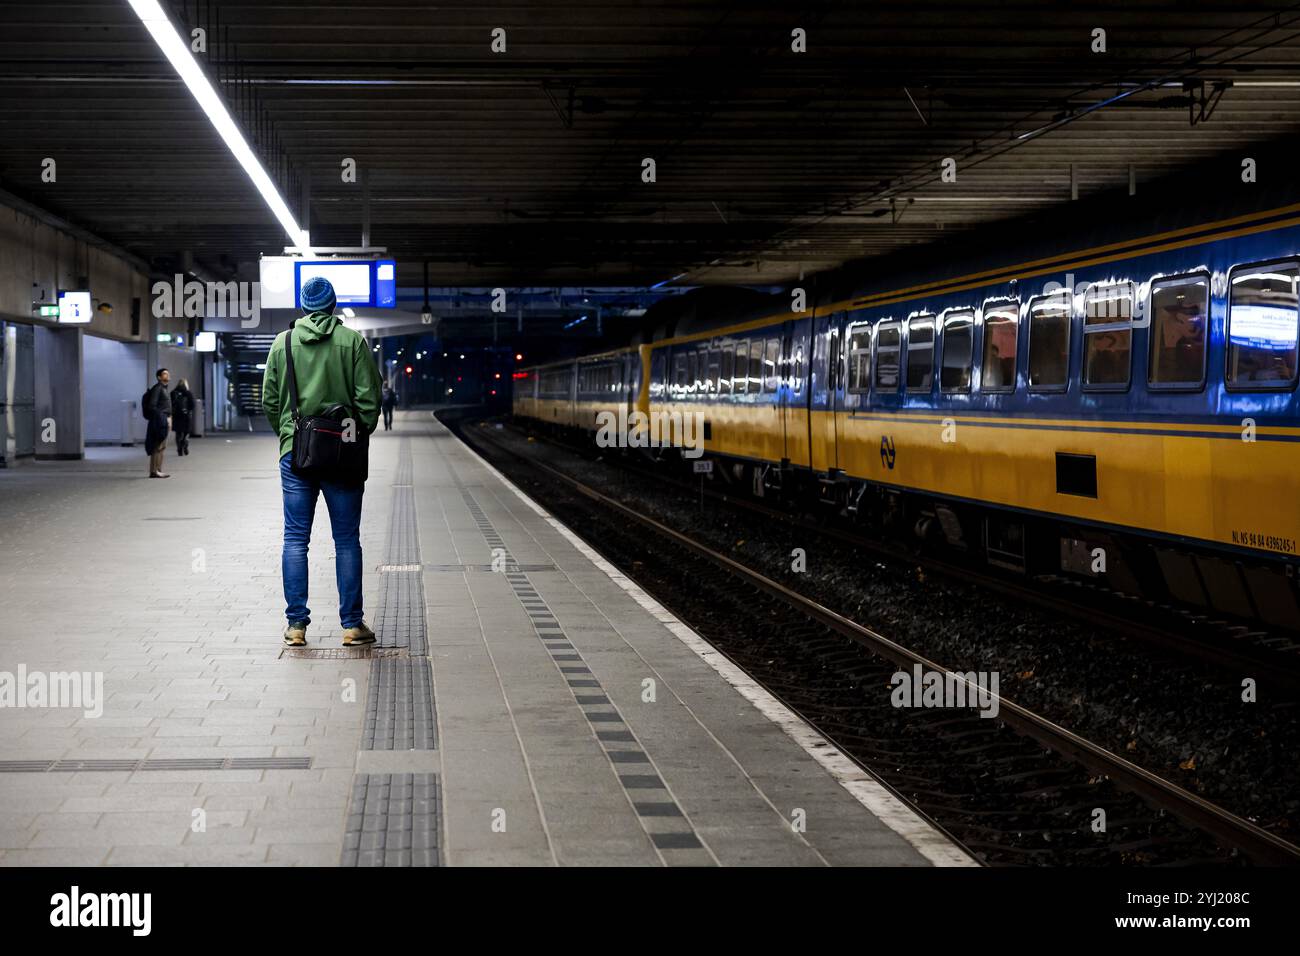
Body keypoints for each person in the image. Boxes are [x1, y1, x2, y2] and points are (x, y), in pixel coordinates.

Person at [261, 276, 382, 647]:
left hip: (295, 454)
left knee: (295, 539)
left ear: (303, 307)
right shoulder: (353, 342)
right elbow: (368, 402)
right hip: (343, 453)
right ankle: (351, 625)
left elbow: (268, 400)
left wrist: (288, 434)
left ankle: (296, 626)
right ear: (332, 306)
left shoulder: (282, 344)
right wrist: (354, 434)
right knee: (346, 539)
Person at [144, 368, 171, 478]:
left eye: (168, 373)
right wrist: (161, 416)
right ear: (159, 377)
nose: (167, 375)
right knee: (157, 446)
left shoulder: (164, 388)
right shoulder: (158, 388)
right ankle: (154, 471)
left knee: (162, 446)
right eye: (165, 374)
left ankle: (158, 470)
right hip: (159, 420)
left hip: (164, 419)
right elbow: (152, 405)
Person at [171, 378, 195, 455]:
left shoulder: (173, 393)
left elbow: (170, 404)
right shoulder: (188, 393)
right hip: (186, 415)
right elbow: (192, 405)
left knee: (178, 433)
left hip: (176, 415)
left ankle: (179, 449)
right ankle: (184, 444)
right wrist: (188, 410)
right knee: (186, 432)